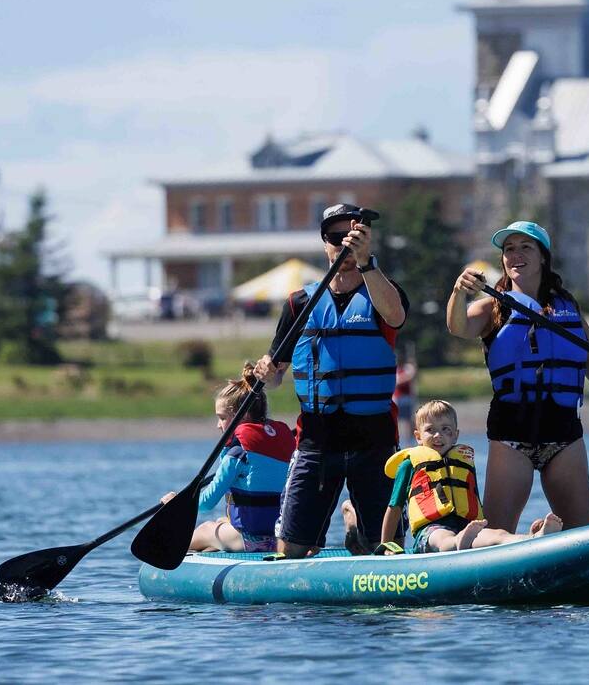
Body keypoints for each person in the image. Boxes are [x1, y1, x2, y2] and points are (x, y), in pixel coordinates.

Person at [447, 220, 589, 532]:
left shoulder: (569, 310)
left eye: (525, 247)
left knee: (583, 535)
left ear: (543, 257)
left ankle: (545, 540)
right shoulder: (492, 307)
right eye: (509, 249)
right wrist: (458, 290)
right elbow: (456, 327)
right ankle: (530, 543)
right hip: (512, 435)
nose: (515, 254)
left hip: (563, 435)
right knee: (496, 534)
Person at [253, 203, 407, 558]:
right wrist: (266, 373)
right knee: (291, 549)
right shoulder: (299, 303)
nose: (344, 244)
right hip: (317, 443)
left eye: (353, 235)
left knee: (384, 548)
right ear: (325, 243)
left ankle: (356, 529)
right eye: (336, 237)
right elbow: (276, 375)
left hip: (375, 444)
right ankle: (347, 526)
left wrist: (367, 261)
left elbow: (396, 317)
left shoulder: (384, 292)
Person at [377, 399, 563, 554]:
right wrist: (386, 545)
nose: (438, 436)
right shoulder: (410, 465)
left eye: (445, 429)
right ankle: (459, 543)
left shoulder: (463, 461)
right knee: (444, 540)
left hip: (467, 527)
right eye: (430, 430)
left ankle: (531, 538)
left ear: (456, 435)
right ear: (418, 436)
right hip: (431, 533)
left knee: (498, 534)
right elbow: (394, 509)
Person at [163, 362, 295, 553]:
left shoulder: (237, 453)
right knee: (221, 524)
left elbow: (207, 503)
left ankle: (172, 549)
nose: (218, 425)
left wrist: (177, 505)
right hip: (282, 538)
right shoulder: (282, 440)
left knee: (205, 530)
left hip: (252, 540)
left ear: (244, 415)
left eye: (222, 417)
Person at [393, 343, 419, 446]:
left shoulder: (407, 368)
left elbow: (411, 376)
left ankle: (409, 443)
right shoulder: (396, 370)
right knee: (397, 422)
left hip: (407, 399)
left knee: (408, 421)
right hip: (398, 399)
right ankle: (398, 441)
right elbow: (398, 381)